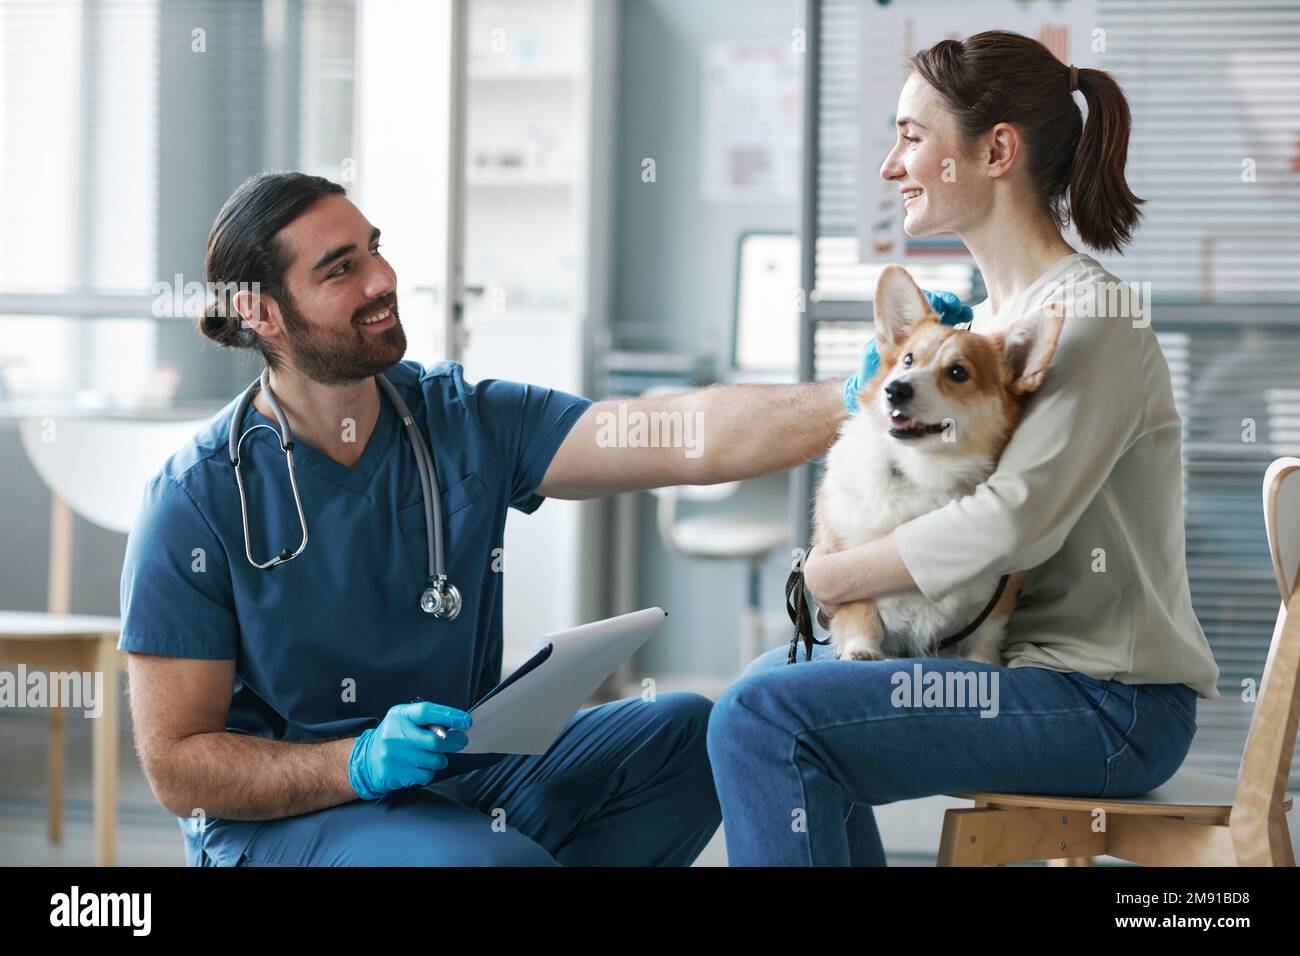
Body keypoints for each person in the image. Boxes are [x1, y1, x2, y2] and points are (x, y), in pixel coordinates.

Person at [120, 169, 967, 866]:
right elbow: (177, 768)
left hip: (459, 777)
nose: (382, 280)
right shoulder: (197, 498)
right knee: (489, 865)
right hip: (289, 825)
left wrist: (860, 399)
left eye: (374, 250)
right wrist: (357, 761)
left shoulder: (461, 419)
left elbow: (684, 438)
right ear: (261, 313)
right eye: (339, 269)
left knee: (705, 736)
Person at [705, 30, 1220, 866]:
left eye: (911, 137)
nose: (889, 165)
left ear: (997, 151)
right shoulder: (980, 330)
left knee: (765, 718)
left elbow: (1016, 523)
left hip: (1108, 706)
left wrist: (831, 576)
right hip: (1013, 674)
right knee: (766, 688)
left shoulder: (1091, 319)